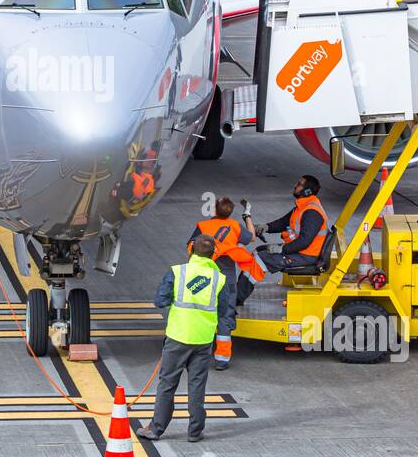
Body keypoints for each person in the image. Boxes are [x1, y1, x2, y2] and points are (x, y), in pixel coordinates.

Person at [137, 235, 233, 443]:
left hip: (178, 337)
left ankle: (156, 428)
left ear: (191, 249)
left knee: (167, 384)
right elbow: (224, 310)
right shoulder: (219, 279)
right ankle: (195, 431)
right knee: (197, 385)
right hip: (203, 340)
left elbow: (160, 301)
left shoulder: (178, 272)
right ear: (214, 254)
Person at [189, 196, 265, 370]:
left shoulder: (203, 226)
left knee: (201, 312)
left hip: (205, 276)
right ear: (230, 212)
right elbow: (252, 237)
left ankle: (198, 355)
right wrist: (247, 216)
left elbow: (191, 247)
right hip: (227, 278)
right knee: (225, 316)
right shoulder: (235, 226)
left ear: (215, 210)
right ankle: (222, 359)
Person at [248, 175, 328, 274]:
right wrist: (266, 227)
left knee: (260, 258)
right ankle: (243, 286)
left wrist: (283, 249)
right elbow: (284, 222)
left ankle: (241, 289)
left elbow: (304, 241)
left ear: (307, 191)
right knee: (258, 251)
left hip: (306, 256)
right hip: (298, 250)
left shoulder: (312, 212)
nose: (295, 186)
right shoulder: (302, 206)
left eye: (299, 184)